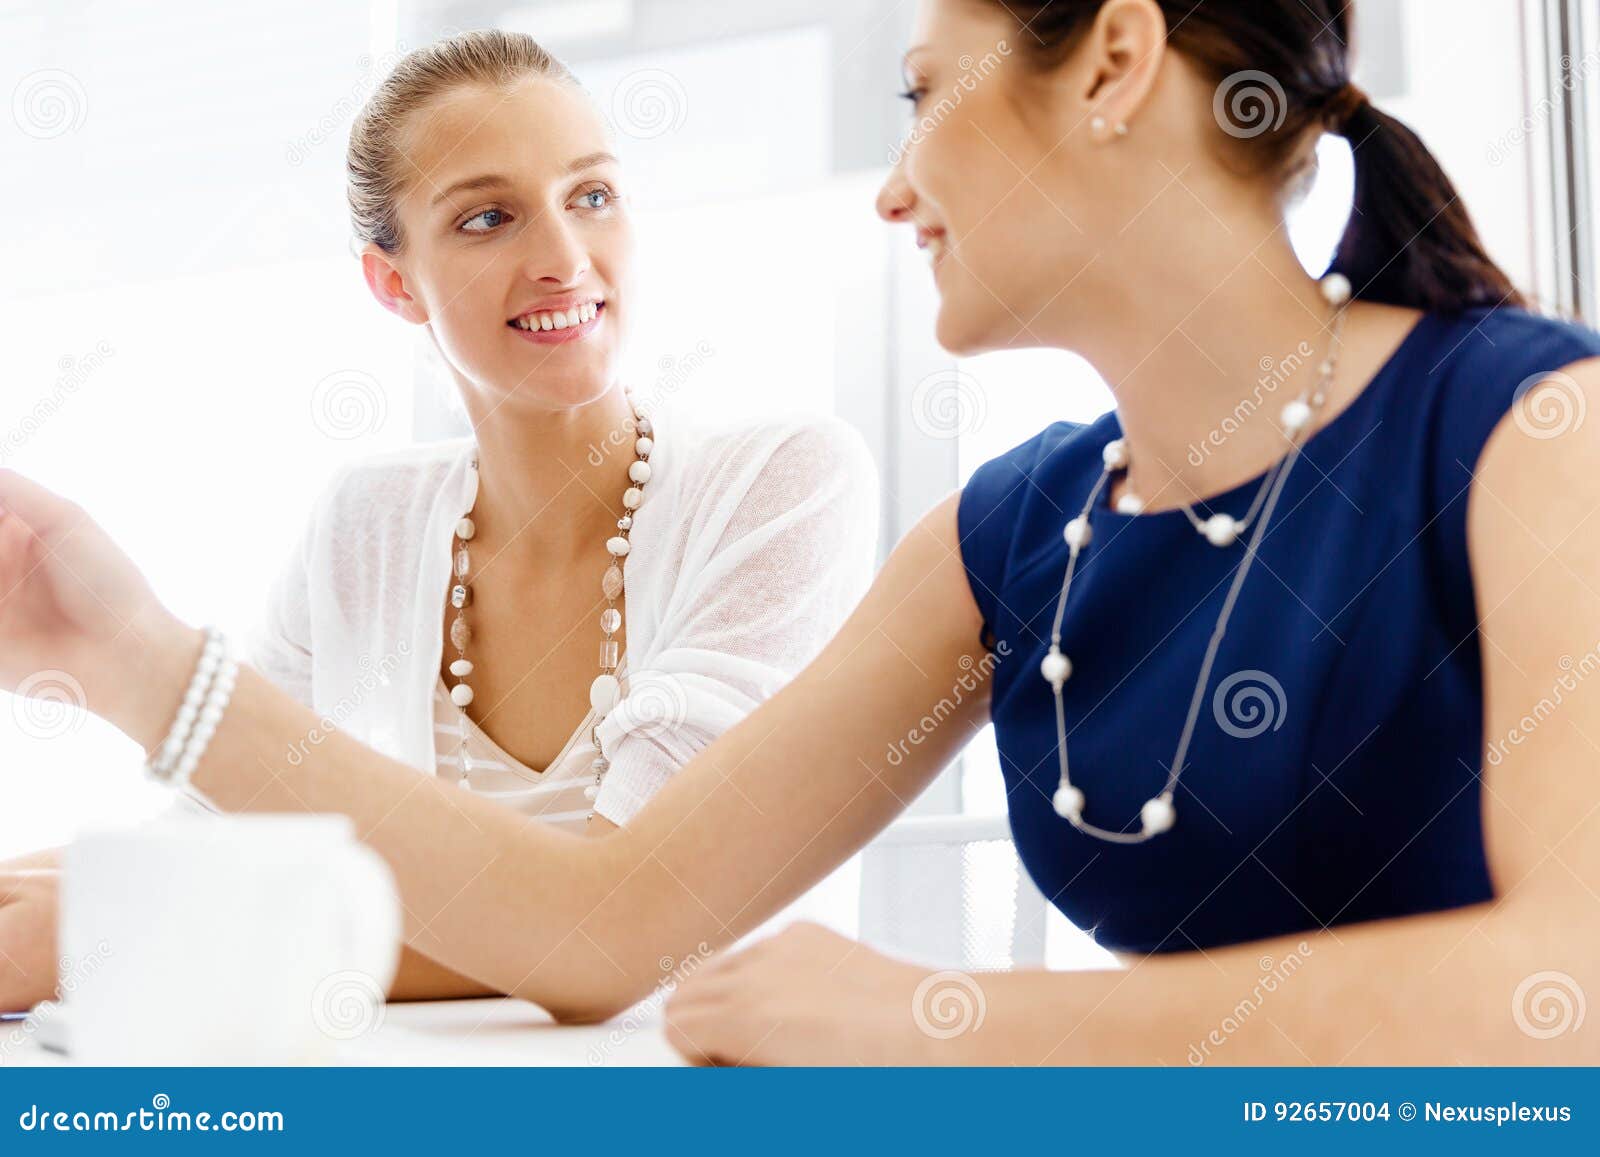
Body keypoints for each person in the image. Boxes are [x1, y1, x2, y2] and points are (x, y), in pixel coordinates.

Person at [4, 0, 1599, 1064]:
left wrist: (940, 1017)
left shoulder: (1529, 430)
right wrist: (127, 652)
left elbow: (1567, 992)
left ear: (1115, 62)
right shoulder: (1010, 537)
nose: (893, 190)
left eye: (920, 98)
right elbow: (600, 922)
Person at [0, 30, 876, 1007]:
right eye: (488, 217)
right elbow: (222, 830)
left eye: (591, 195)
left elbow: (632, 921)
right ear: (394, 280)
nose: (562, 256)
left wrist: (124, 945)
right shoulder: (365, 524)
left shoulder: (781, 483)